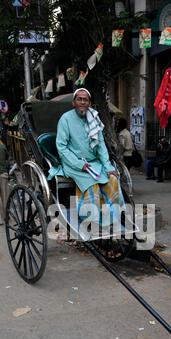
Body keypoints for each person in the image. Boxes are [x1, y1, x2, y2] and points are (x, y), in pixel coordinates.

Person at [55, 88, 125, 233]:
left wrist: (107, 166)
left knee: (112, 179)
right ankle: (92, 222)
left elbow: (101, 146)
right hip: (74, 164)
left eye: (85, 99)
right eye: (79, 99)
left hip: (93, 164)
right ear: (73, 103)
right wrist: (79, 164)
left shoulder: (94, 118)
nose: (82, 102)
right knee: (92, 184)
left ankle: (110, 220)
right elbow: (61, 147)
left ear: (89, 103)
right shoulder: (65, 119)